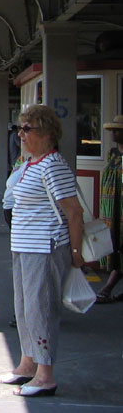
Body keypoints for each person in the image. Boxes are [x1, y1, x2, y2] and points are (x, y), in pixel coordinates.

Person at [0, 105, 84, 397]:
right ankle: (27, 364)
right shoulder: (32, 163)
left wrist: (75, 253)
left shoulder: (54, 165)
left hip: (45, 248)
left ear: (47, 133)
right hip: (24, 247)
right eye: (19, 128)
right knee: (24, 308)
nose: (20, 134)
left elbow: (73, 212)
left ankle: (45, 375)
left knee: (41, 310)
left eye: (27, 129)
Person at [96, 114, 123, 303]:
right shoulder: (113, 154)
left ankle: (108, 287)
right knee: (114, 243)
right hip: (111, 207)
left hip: (119, 208)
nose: (113, 133)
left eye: (117, 130)